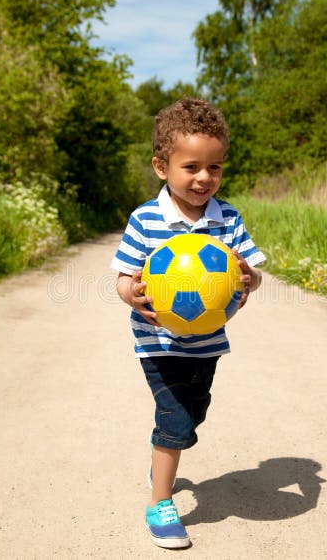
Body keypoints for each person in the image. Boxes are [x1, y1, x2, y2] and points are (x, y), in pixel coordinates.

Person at [111, 97, 266, 549]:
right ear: (162, 166)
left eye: (214, 168)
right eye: (192, 167)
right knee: (176, 419)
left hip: (208, 341)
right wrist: (131, 294)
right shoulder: (146, 220)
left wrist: (248, 278)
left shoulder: (229, 219)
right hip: (158, 339)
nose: (204, 178)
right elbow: (123, 278)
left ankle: (165, 451)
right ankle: (161, 503)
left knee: (194, 412)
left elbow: (252, 274)